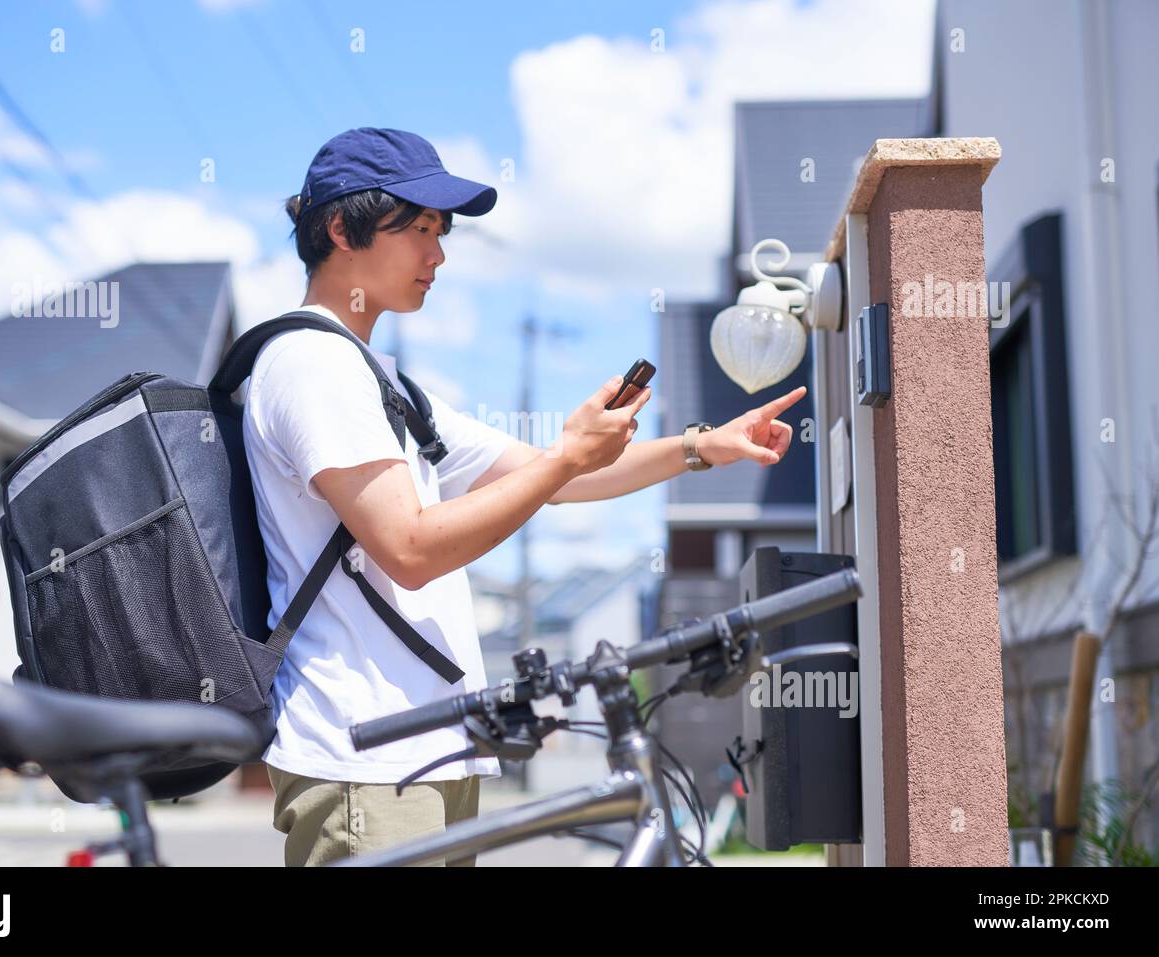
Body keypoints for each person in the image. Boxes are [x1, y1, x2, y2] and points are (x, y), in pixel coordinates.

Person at [244, 127, 805, 866]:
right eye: (418, 228)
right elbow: (409, 547)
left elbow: (553, 478)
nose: (437, 253)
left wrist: (701, 444)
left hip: (421, 751)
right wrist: (565, 457)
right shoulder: (311, 364)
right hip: (364, 762)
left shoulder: (384, 382)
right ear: (340, 228)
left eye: (441, 231)